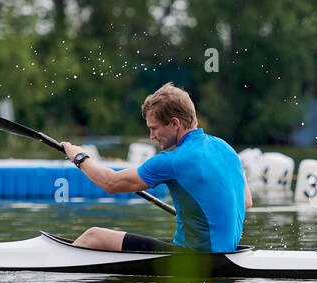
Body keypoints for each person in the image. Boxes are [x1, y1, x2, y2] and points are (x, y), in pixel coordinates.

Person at [60, 83, 251, 253]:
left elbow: (111, 183)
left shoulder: (173, 160)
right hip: (226, 255)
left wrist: (79, 157)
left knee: (95, 236)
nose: (151, 136)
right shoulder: (226, 149)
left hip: (193, 258)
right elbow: (246, 202)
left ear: (175, 123)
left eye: (154, 128)